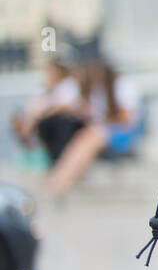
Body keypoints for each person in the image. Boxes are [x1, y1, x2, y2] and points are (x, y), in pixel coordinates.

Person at [44, 58, 142, 197]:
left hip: (122, 134)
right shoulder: (98, 88)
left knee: (89, 137)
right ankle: (61, 180)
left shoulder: (122, 86)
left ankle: (60, 182)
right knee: (83, 137)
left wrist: (101, 116)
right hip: (101, 131)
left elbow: (126, 120)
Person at [10, 56, 83, 165]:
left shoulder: (68, 85)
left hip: (61, 120)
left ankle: (33, 150)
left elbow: (67, 105)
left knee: (36, 123)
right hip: (46, 118)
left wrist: (42, 113)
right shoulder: (50, 89)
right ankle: (31, 149)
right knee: (19, 120)